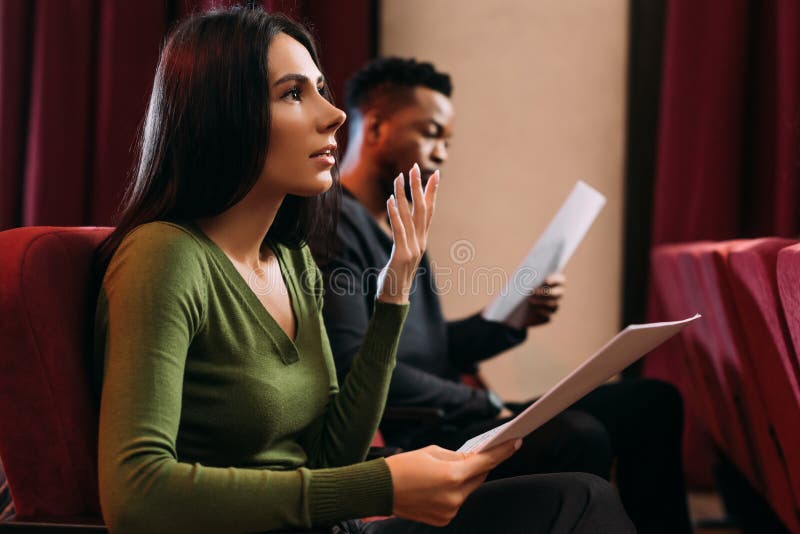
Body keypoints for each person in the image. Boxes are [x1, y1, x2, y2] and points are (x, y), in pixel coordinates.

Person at [92, 8, 635, 534]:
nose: (333, 114)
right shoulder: (164, 257)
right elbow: (136, 496)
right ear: (223, 115)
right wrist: (381, 485)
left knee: (582, 496)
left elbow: (333, 454)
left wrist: (396, 286)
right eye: (293, 93)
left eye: (321, 89)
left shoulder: (293, 259)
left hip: (334, 524)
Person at [316, 56, 692, 534]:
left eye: (448, 141)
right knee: (578, 435)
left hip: (453, 410)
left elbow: (430, 347)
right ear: (376, 128)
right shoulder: (332, 226)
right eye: (432, 133)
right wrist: (484, 404)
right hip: (419, 430)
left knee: (651, 402)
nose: (442, 153)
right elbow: (354, 362)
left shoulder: (399, 223)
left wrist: (511, 318)